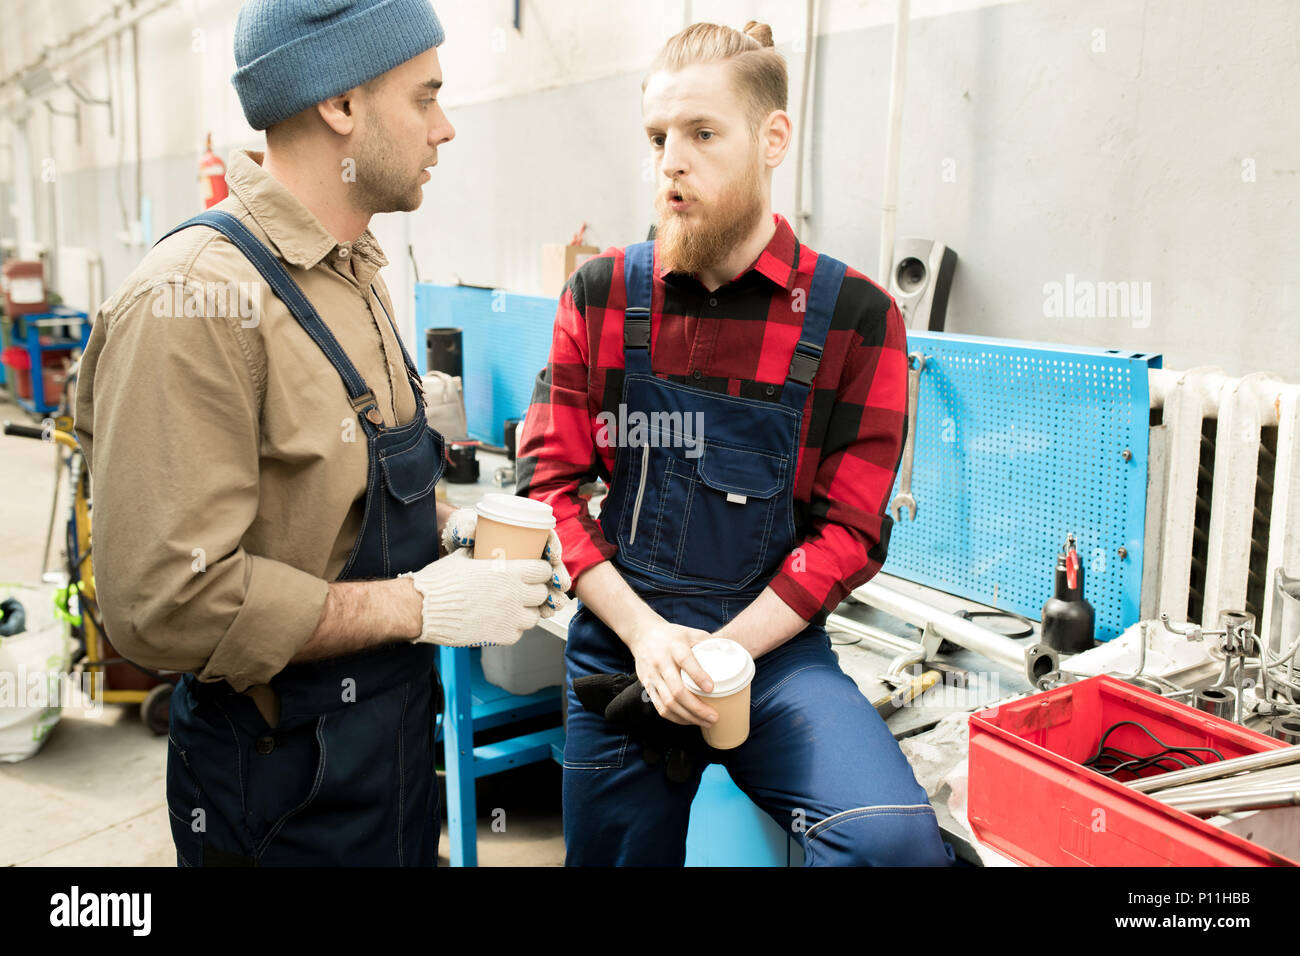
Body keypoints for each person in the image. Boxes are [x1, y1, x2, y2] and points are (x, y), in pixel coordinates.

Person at [74, 0, 563, 867]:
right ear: (340, 104)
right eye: (424, 98)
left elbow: (343, 493)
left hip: (394, 749)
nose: (444, 129)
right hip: (282, 785)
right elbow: (161, 604)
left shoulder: (354, 270)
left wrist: (455, 528)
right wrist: (416, 604)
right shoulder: (195, 302)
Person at [514, 20, 955, 866]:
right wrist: (648, 639)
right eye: (657, 138)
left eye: (703, 134)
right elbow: (552, 487)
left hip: (773, 651)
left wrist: (723, 653)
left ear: (772, 138)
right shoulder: (601, 295)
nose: (670, 163)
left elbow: (851, 531)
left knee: (890, 843)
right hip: (623, 644)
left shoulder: (857, 319)